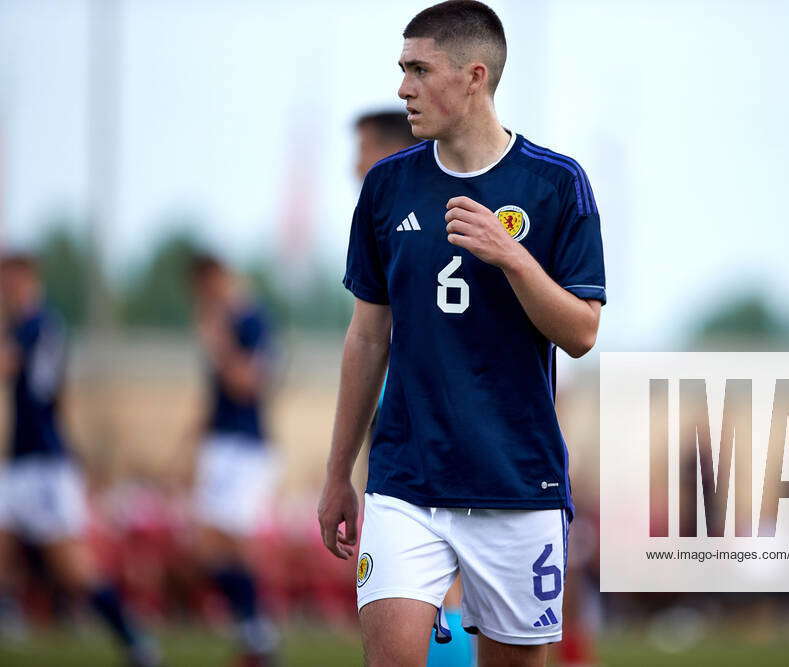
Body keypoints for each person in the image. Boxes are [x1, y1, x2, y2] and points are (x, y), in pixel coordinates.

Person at [318, 2, 606, 665]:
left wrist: (512, 257)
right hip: (404, 481)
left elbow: (583, 332)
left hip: (517, 484)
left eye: (419, 70)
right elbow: (367, 339)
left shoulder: (557, 185)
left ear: (473, 76)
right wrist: (339, 473)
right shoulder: (388, 187)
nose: (403, 88)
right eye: (402, 69)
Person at [354, 110, 476, 667]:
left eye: (362, 150)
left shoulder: (439, 215)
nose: (353, 165)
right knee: (411, 587)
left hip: (449, 428)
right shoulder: (382, 212)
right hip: (397, 426)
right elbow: (370, 334)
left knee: (447, 583)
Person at [0, 253, 160, 666]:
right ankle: (13, 610)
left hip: (43, 465)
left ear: (28, 281)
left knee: (74, 568)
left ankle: (133, 639)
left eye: (11, 281)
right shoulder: (22, 326)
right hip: (22, 461)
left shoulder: (38, 324)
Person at [188, 254, 279, 666]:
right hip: (220, 446)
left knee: (234, 546)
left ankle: (258, 639)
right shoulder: (223, 324)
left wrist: (218, 341)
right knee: (207, 551)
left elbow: (245, 385)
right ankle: (256, 635)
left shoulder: (250, 322)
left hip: (246, 447)